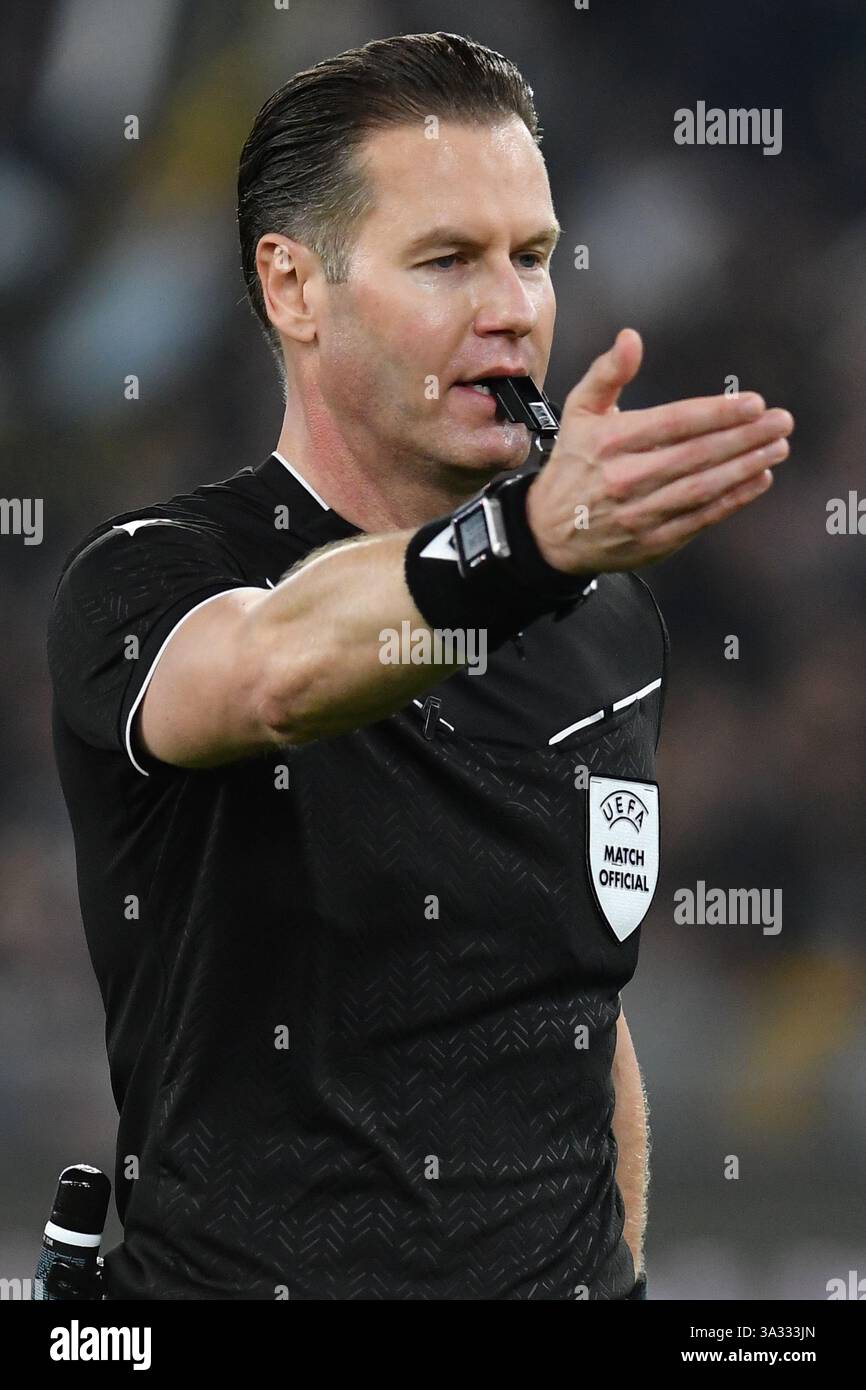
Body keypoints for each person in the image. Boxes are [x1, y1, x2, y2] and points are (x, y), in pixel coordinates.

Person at [47, 31, 793, 1300]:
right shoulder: (149, 576)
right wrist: (521, 548)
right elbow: (273, 670)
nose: (510, 306)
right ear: (294, 287)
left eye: (533, 257)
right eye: (446, 260)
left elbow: (576, 1006)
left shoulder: (606, 622)